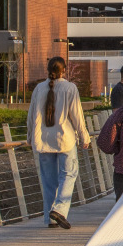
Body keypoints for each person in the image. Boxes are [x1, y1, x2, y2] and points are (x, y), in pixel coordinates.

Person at [27, 55, 91, 229]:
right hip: (65, 139)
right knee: (69, 174)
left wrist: (29, 136)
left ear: (48, 70)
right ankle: (60, 210)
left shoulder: (39, 88)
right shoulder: (70, 88)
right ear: (64, 70)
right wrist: (84, 136)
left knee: (49, 180)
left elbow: (32, 115)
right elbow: (77, 115)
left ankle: (50, 218)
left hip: (43, 140)